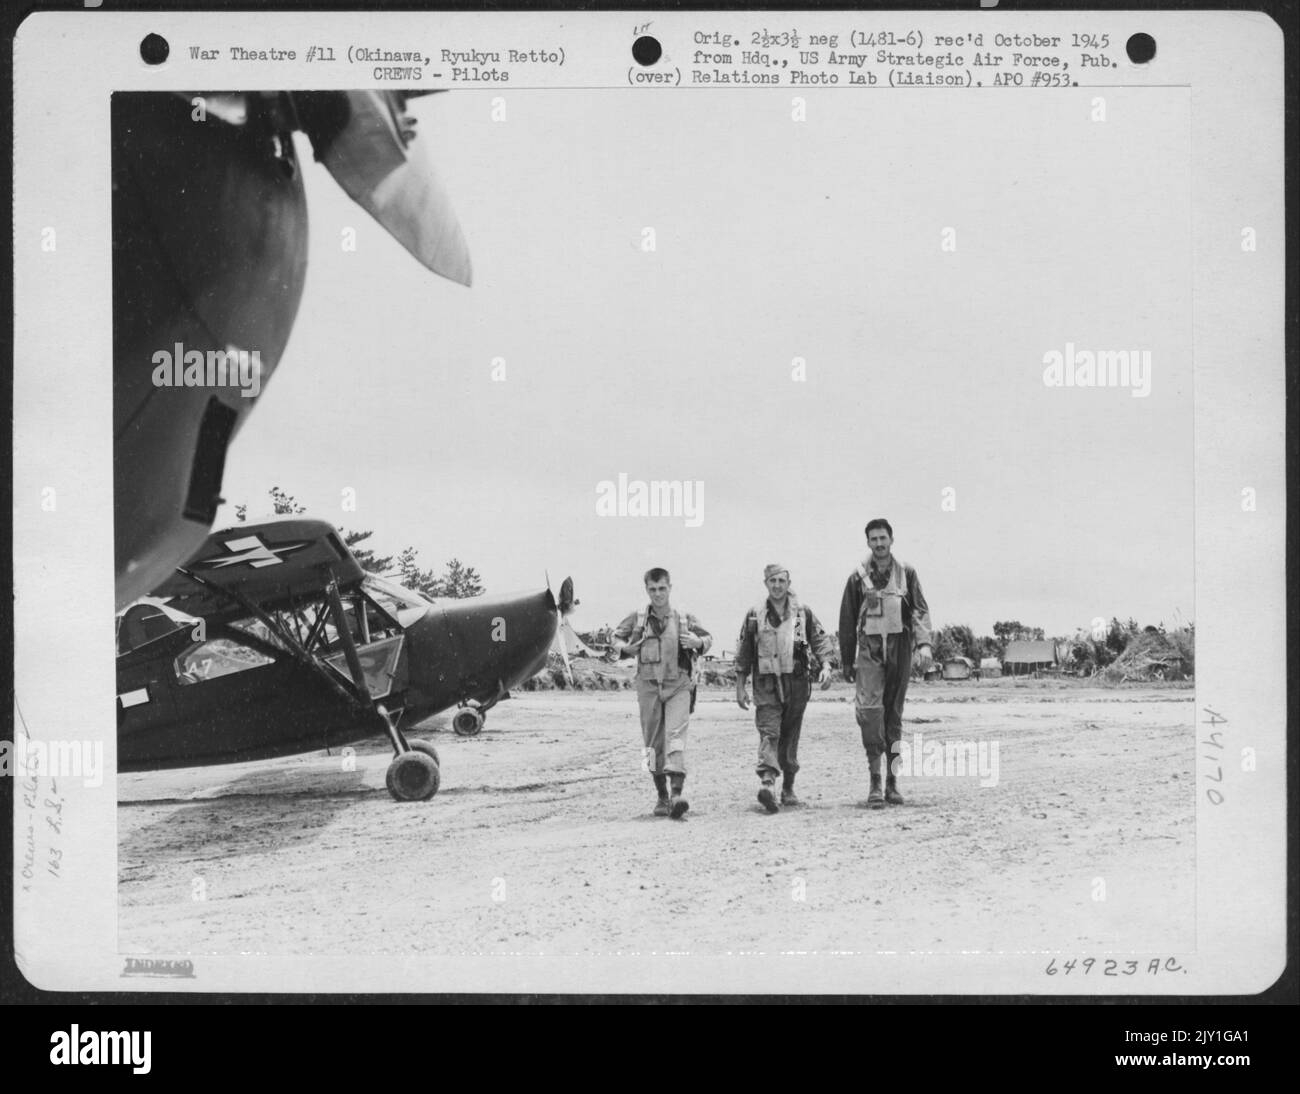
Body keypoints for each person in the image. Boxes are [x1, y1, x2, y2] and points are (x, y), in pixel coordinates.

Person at [839, 519, 933, 808]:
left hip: (899, 646)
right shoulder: (857, 577)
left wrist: (924, 644)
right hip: (869, 649)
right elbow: (846, 618)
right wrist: (846, 659)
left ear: (892, 539)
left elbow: (919, 609)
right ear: (867, 542)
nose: (879, 544)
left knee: (893, 716)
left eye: (883, 538)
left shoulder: (907, 573)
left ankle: (891, 783)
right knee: (869, 713)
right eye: (873, 539)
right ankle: (874, 780)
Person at [734, 564, 837, 813]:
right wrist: (740, 685)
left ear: (788, 583)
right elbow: (744, 652)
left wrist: (826, 665)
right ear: (766, 584)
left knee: (790, 735)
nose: (777, 585)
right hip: (766, 684)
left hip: (797, 683)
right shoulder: (754, 615)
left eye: (781, 580)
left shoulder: (801, 614)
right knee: (769, 732)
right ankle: (768, 784)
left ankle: (788, 787)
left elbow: (820, 639)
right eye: (772, 581)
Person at [611, 569, 713, 819]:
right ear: (647, 589)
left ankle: (677, 793)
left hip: (677, 685)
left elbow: (708, 637)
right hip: (647, 686)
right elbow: (615, 638)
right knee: (650, 744)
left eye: (662, 589)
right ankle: (661, 796)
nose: (658, 594)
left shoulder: (683, 618)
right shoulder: (637, 618)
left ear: (670, 588)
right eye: (653, 589)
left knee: (676, 736)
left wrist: (697, 644)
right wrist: (626, 649)